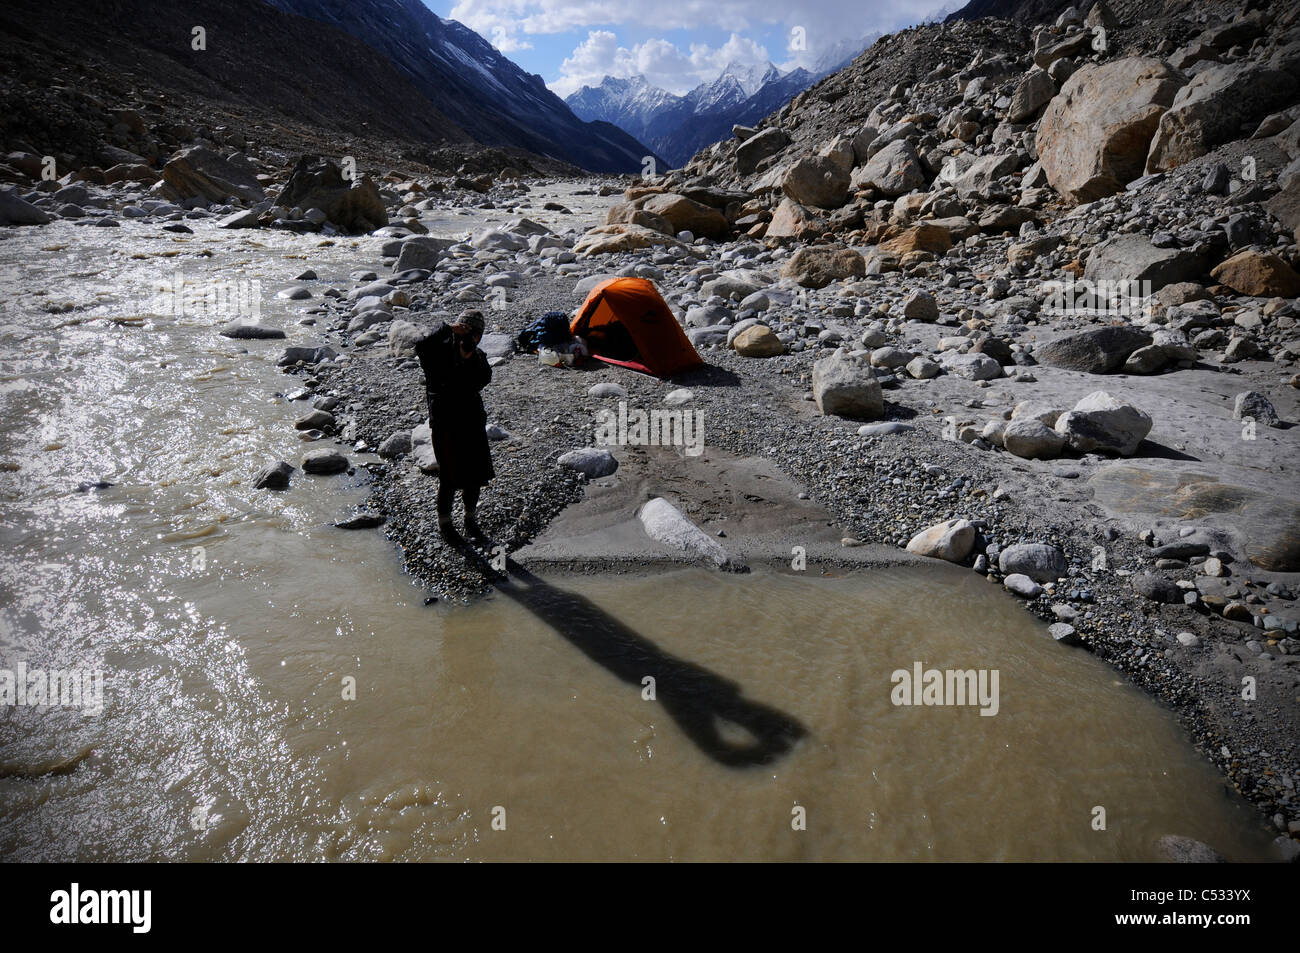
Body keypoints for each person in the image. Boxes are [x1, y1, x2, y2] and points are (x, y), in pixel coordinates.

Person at [414, 310, 495, 540]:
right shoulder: (437, 354)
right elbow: (420, 345)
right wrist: (447, 328)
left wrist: (468, 357)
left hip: (472, 423)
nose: (471, 338)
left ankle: (470, 518)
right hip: (445, 425)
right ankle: (445, 524)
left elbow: (484, 379)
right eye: (467, 332)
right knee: (448, 477)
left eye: (475, 334)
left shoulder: (478, 356)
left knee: (475, 475)